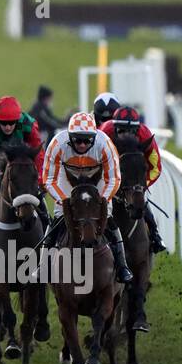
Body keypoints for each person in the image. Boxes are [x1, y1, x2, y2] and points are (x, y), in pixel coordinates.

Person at [41, 112, 132, 283]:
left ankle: (122, 266)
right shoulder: (57, 144)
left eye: (86, 140)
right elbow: (49, 179)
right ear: (69, 138)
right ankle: (43, 265)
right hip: (68, 176)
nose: (82, 144)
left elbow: (113, 178)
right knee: (59, 216)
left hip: (97, 180)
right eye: (77, 140)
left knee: (108, 217)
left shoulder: (104, 144)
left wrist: (101, 201)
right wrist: (64, 201)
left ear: (94, 137)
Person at [99, 105, 166, 253]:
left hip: (133, 178)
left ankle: (155, 234)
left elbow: (155, 168)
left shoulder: (145, 135)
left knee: (140, 199)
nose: (126, 135)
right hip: (107, 175)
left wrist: (140, 186)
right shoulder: (105, 133)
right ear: (115, 128)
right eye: (122, 131)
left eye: (130, 131)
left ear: (137, 130)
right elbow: (96, 164)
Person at [0, 96, 47, 225]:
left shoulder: (28, 124)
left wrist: (39, 180)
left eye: (12, 123)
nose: (8, 127)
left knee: (36, 191)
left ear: (18, 120)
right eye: (3, 123)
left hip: (20, 155)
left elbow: (38, 155)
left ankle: (46, 220)